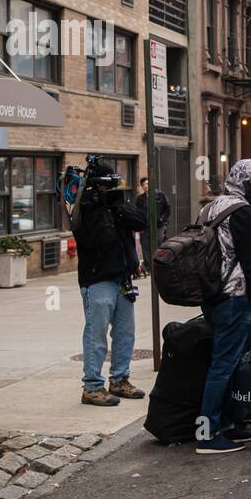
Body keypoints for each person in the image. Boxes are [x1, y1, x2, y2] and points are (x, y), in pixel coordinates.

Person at [195, 158, 251, 455]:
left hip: (213, 296)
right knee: (223, 365)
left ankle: (229, 423)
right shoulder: (242, 213)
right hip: (235, 298)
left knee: (225, 364)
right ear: (250, 184)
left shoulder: (211, 207)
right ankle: (207, 433)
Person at [69, 158, 147, 407]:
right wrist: (100, 206)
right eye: (106, 186)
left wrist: (118, 206)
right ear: (94, 186)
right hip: (98, 279)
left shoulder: (116, 206)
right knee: (96, 334)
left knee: (125, 333)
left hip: (122, 278)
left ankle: (120, 380)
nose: (110, 191)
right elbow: (92, 240)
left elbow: (141, 222)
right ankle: (92, 387)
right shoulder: (85, 208)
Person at [134, 177, 171, 276]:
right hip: (145, 227)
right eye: (144, 184)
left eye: (147, 183)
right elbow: (137, 213)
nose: (146, 186)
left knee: (159, 242)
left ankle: (160, 265)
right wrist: (139, 227)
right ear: (142, 187)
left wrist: (163, 220)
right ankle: (149, 268)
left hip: (159, 226)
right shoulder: (140, 199)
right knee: (146, 247)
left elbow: (167, 209)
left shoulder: (160, 195)